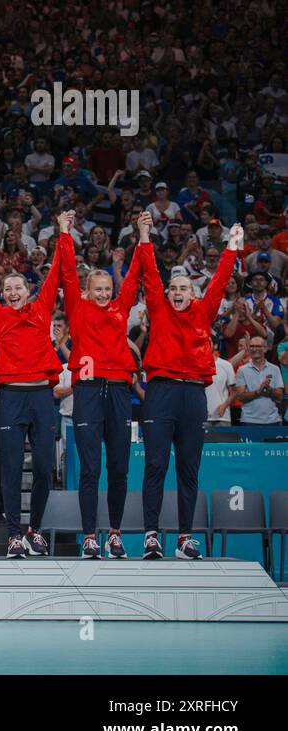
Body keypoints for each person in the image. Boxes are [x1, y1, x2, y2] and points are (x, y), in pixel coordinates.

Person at [135, 215, 241, 560]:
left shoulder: (202, 311)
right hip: (161, 392)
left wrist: (231, 249)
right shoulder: (159, 307)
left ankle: (184, 538)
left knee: (188, 467)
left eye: (184, 288)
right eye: (173, 288)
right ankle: (152, 536)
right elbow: (150, 273)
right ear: (166, 294)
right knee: (154, 466)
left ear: (193, 294)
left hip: (194, 394)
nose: (178, 292)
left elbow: (221, 280)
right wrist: (145, 233)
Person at [0, 221, 65, 559]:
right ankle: (15, 535)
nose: (13, 291)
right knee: (12, 467)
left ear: (28, 290)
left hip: (41, 397)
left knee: (45, 467)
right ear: (3, 294)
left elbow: (59, 270)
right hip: (11, 398)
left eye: (18, 286)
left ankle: (33, 529)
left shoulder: (42, 309)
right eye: (7, 288)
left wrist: (62, 233)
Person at [58, 212, 145, 559]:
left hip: (120, 392)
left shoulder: (121, 309)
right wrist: (65, 232)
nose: (105, 293)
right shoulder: (77, 308)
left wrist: (143, 236)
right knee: (91, 468)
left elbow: (136, 276)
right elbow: (66, 272)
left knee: (119, 468)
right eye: (99, 289)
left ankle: (115, 533)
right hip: (89, 392)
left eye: (108, 288)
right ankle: (90, 535)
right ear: (87, 291)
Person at [233, 336, 283, 426]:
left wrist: (269, 389)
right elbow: (240, 396)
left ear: (265, 349)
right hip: (249, 421)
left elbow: (279, 396)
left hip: (272, 421)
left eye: (258, 346)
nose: (254, 349)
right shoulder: (242, 370)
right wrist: (258, 391)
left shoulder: (275, 369)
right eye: (252, 346)